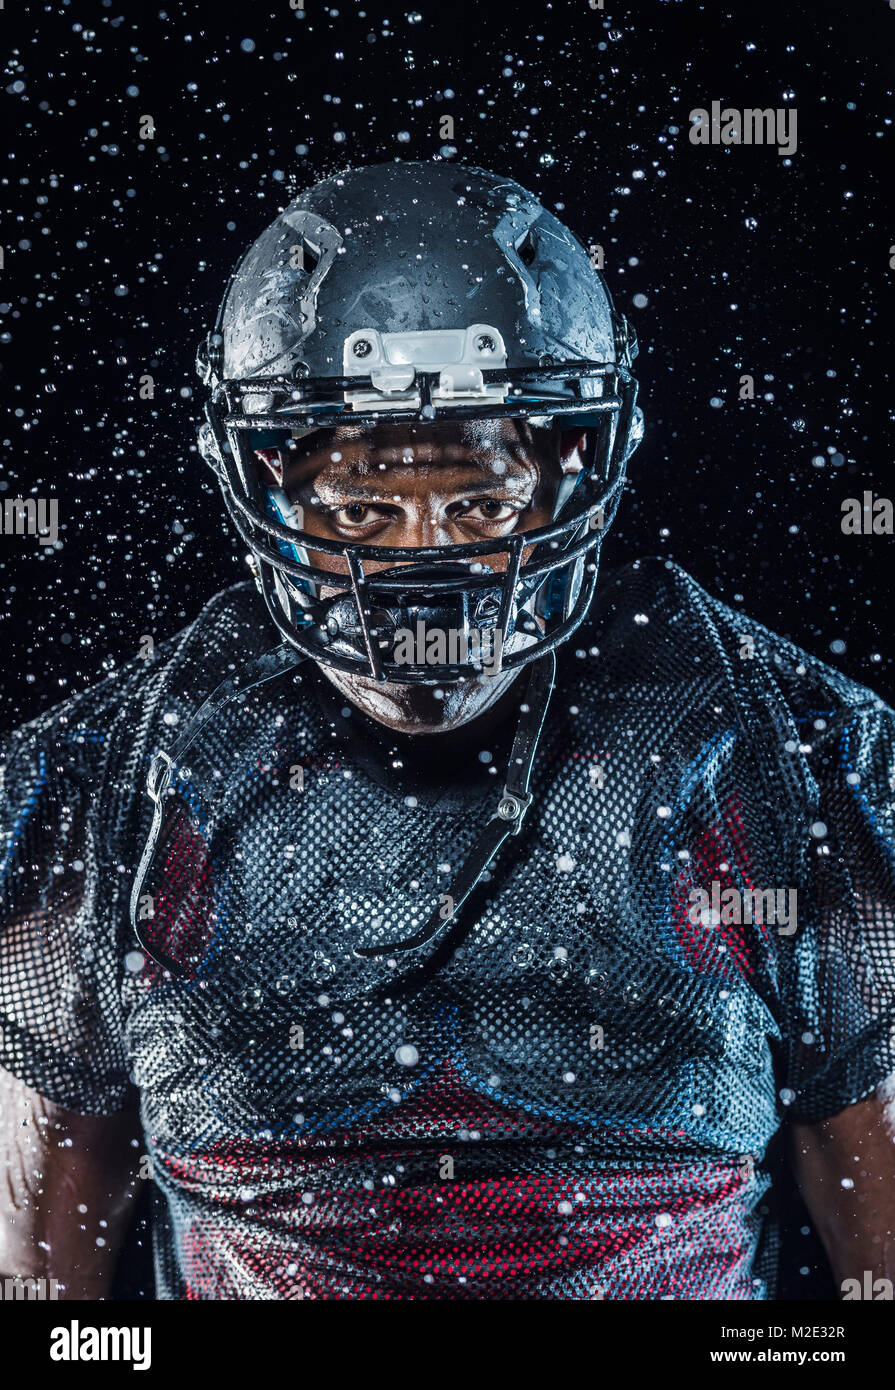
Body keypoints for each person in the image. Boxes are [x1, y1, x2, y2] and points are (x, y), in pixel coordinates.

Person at [1, 161, 893, 1301]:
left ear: (573, 468)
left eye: (477, 504)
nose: (426, 576)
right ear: (268, 480)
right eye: (367, 509)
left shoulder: (788, 753)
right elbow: (38, 1289)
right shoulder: (107, 780)